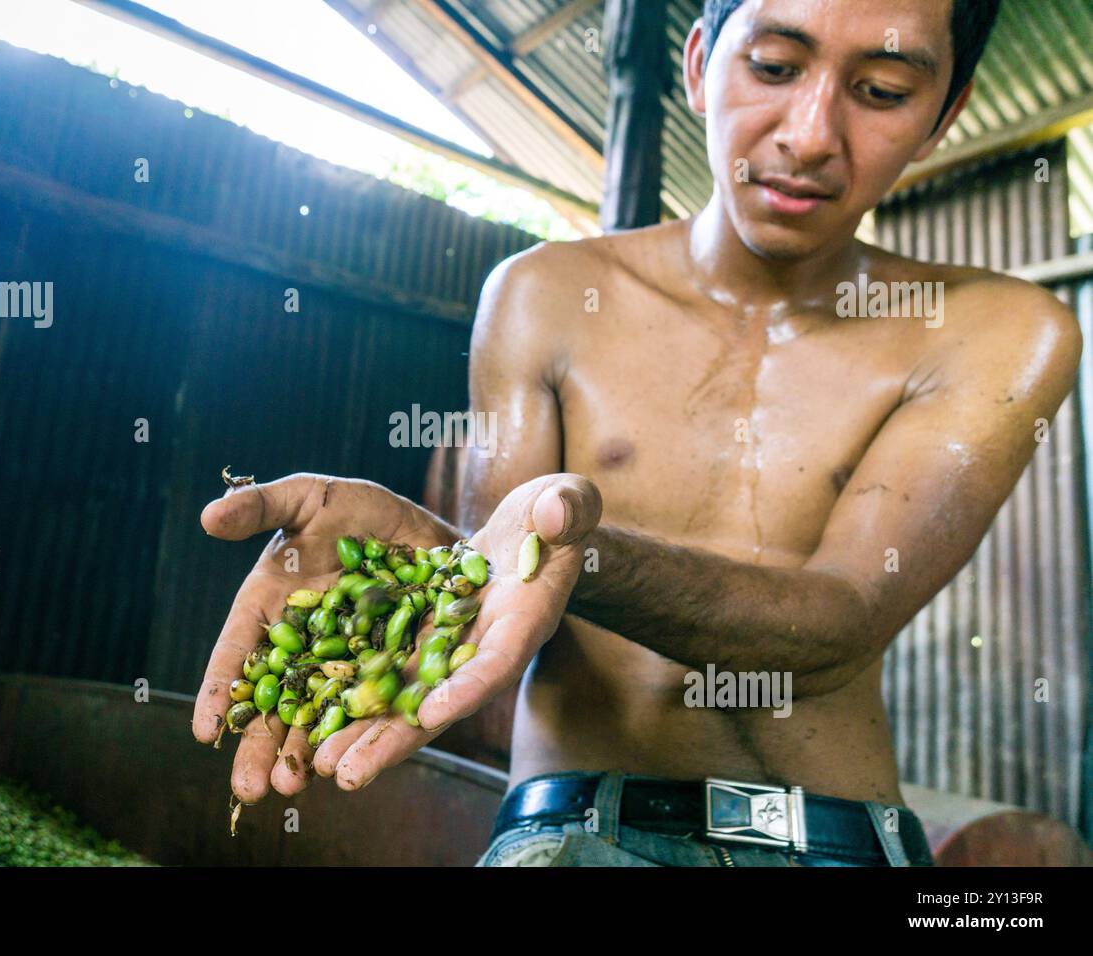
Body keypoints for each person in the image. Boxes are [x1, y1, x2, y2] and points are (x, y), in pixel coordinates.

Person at [193, 0, 1082, 866]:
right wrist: (414, 555)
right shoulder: (541, 295)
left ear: (944, 113)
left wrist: (583, 552)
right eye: (774, 67)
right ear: (697, 66)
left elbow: (843, 616)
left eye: (883, 89)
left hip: (830, 838)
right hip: (568, 829)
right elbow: (488, 575)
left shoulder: (997, 328)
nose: (811, 135)